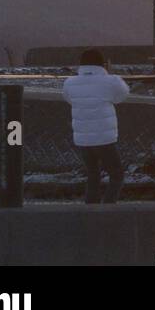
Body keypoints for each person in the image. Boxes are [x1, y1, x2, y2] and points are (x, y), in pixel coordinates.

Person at [62, 48, 130, 204]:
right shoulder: (111, 81)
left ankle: (90, 210)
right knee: (117, 174)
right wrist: (111, 75)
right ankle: (107, 208)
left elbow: (70, 99)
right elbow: (122, 96)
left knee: (93, 174)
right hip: (104, 138)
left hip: (83, 139)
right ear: (102, 64)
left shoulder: (70, 83)